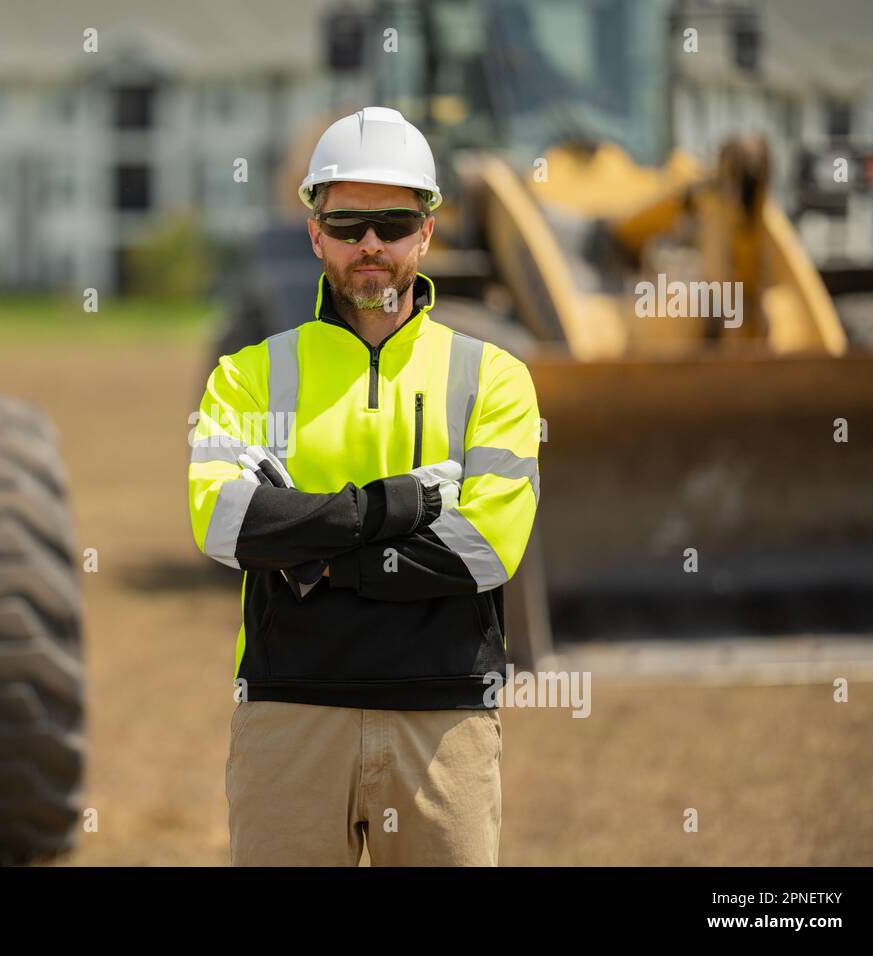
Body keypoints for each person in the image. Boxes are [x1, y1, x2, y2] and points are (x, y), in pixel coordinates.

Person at [187, 106, 541, 866]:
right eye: (348, 225)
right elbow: (224, 527)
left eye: (392, 221)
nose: (370, 243)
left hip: (443, 725)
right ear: (314, 232)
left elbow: (485, 550)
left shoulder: (495, 379)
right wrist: (399, 505)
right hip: (288, 717)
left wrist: (313, 555)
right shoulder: (249, 375)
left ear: (427, 229)